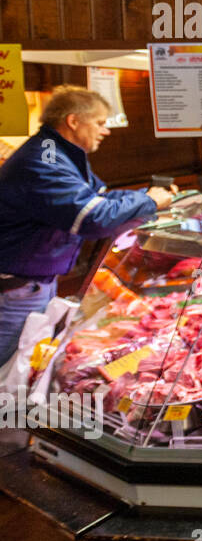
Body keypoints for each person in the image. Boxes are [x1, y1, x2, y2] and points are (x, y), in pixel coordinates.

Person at [0, 86, 174, 362]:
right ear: (73, 121)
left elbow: (98, 199)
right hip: (16, 293)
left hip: (33, 285)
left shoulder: (57, 152)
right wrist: (150, 202)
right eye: (100, 123)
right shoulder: (46, 161)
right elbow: (93, 218)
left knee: (25, 371)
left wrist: (146, 198)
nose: (105, 131)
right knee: (9, 373)